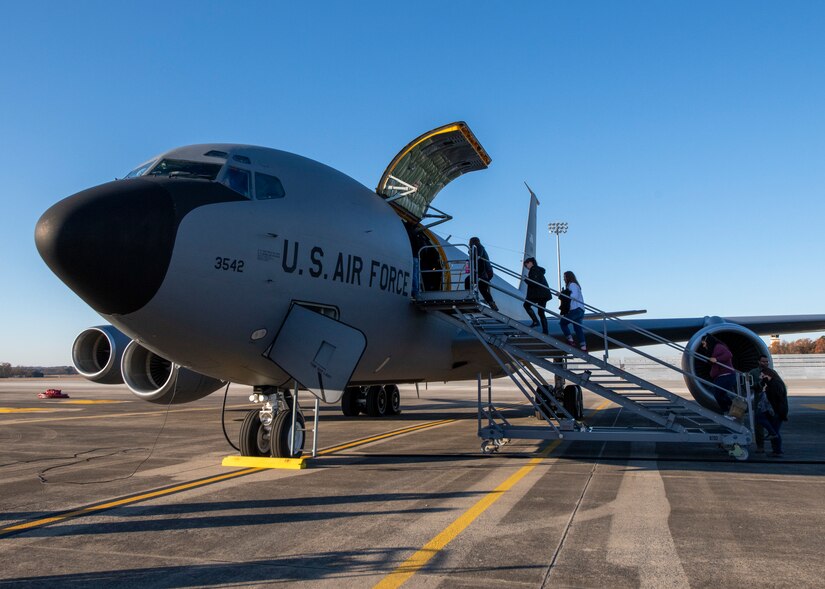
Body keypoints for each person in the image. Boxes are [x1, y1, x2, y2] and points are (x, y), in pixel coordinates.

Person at [700, 334, 736, 414]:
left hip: (726, 375)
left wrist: (717, 359)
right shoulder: (713, 349)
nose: (703, 346)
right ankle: (731, 409)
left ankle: (728, 409)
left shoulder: (718, 347)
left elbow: (729, 354)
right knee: (720, 394)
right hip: (720, 376)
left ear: (708, 341)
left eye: (704, 343)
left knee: (717, 394)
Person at [759, 366, 789, 457]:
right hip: (777, 410)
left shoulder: (775, 384)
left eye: (762, 376)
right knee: (775, 431)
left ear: (768, 375)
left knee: (775, 431)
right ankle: (776, 450)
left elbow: (775, 398)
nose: (761, 378)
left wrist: (766, 389)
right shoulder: (774, 383)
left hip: (777, 411)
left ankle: (778, 450)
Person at [748, 355, 771, 452]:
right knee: (759, 425)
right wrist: (759, 384)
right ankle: (760, 446)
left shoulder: (771, 372)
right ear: (758, 362)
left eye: (766, 362)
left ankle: (776, 448)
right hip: (759, 402)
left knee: (773, 424)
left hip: (771, 401)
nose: (765, 363)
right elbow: (748, 385)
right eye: (763, 361)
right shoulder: (753, 372)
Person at [559, 271, 586, 351]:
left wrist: (562, 295)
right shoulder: (575, 285)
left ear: (568, 277)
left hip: (576, 309)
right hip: (580, 310)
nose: (563, 278)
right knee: (578, 329)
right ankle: (583, 347)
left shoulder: (572, 284)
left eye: (564, 277)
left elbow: (574, 296)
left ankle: (570, 341)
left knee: (563, 323)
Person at [523, 257, 552, 333]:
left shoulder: (534, 269)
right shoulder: (538, 270)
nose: (527, 267)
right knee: (541, 312)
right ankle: (545, 331)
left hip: (539, 294)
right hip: (543, 294)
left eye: (526, 265)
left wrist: (526, 279)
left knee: (526, 305)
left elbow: (534, 282)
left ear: (530, 262)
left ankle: (535, 321)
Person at [468, 237, 498, 311]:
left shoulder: (477, 247)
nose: (469, 244)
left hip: (482, 273)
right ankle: (492, 304)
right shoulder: (480, 247)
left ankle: (468, 296)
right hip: (486, 273)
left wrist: (471, 254)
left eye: (470, 242)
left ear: (473, 242)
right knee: (483, 289)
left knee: (467, 281)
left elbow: (477, 258)